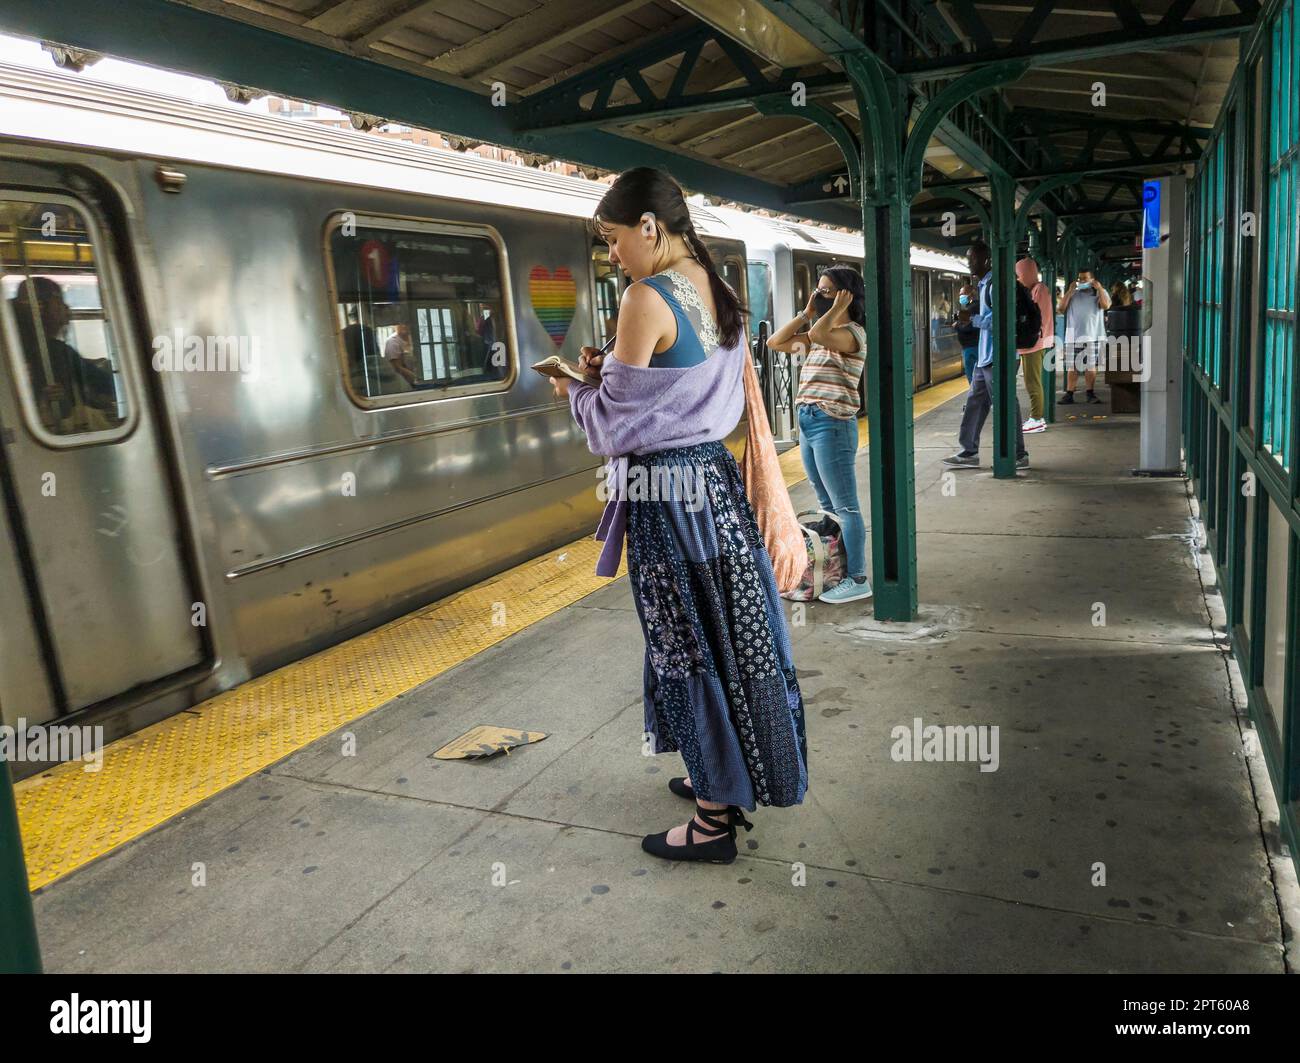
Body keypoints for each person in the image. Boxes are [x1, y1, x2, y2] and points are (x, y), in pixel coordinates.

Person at [548, 166, 807, 864]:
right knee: (721, 633)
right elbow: (672, 388)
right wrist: (612, 375)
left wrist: (573, 390)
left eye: (613, 239)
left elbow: (611, 427)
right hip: (715, 489)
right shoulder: (715, 285)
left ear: (649, 229)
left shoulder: (643, 296)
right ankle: (711, 773)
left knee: (683, 645)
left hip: (667, 498)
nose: (612, 255)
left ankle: (712, 823)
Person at [766, 263, 871, 603]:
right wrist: (807, 312)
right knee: (827, 507)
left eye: (826, 291)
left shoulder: (852, 334)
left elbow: (822, 334)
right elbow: (774, 342)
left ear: (846, 295)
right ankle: (834, 573)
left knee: (846, 507)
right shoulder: (817, 335)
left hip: (833, 424)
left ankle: (858, 578)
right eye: (818, 290)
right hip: (809, 423)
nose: (819, 296)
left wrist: (838, 309)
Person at [942, 239, 1029, 470]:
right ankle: (969, 451)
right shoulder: (983, 284)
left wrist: (971, 319)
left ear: (986, 260)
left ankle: (1018, 455)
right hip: (985, 357)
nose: (969, 262)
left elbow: (1002, 319)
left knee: (1006, 402)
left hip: (998, 356)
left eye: (973, 258)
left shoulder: (994, 284)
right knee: (974, 402)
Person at [10, 276, 120, 432]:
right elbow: (107, 384)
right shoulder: (57, 352)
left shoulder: (11, 349)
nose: (66, 308)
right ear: (40, 308)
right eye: (59, 302)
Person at [1058, 267, 1111, 405]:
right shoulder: (1072, 294)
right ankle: (1069, 394)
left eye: (1085, 279)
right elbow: (1061, 308)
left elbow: (1105, 306)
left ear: (1092, 280)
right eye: (1080, 278)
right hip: (1073, 336)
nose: (1082, 281)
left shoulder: (1100, 293)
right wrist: (1070, 291)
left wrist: (1099, 289)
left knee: (1091, 366)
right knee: (1072, 366)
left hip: (1093, 335)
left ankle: (1090, 393)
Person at [1015, 258, 1055, 434]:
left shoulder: (1039, 290)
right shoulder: (1035, 289)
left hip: (1034, 343)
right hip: (1033, 342)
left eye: (1019, 274)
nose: (1018, 278)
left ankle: (1037, 418)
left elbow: (1038, 318)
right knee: (1031, 381)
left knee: (1033, 382)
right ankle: (1036, 417)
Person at [952, 282, 979, 384]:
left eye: (961, 294)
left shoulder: (971, 308)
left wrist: (957, 325)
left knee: (972, 378)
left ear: (969, 295)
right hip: (974, 345)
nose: (960, 296)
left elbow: (968, 326)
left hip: (971, 347)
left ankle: (976, 398)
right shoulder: (976, 306)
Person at [383, 322, 418, 387]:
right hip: (403, 385)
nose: (404, 325)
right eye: (400, 323)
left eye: (406, 322)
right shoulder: (392, 342)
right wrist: (415, 377)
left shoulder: (414, 337)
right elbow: (396, 368)